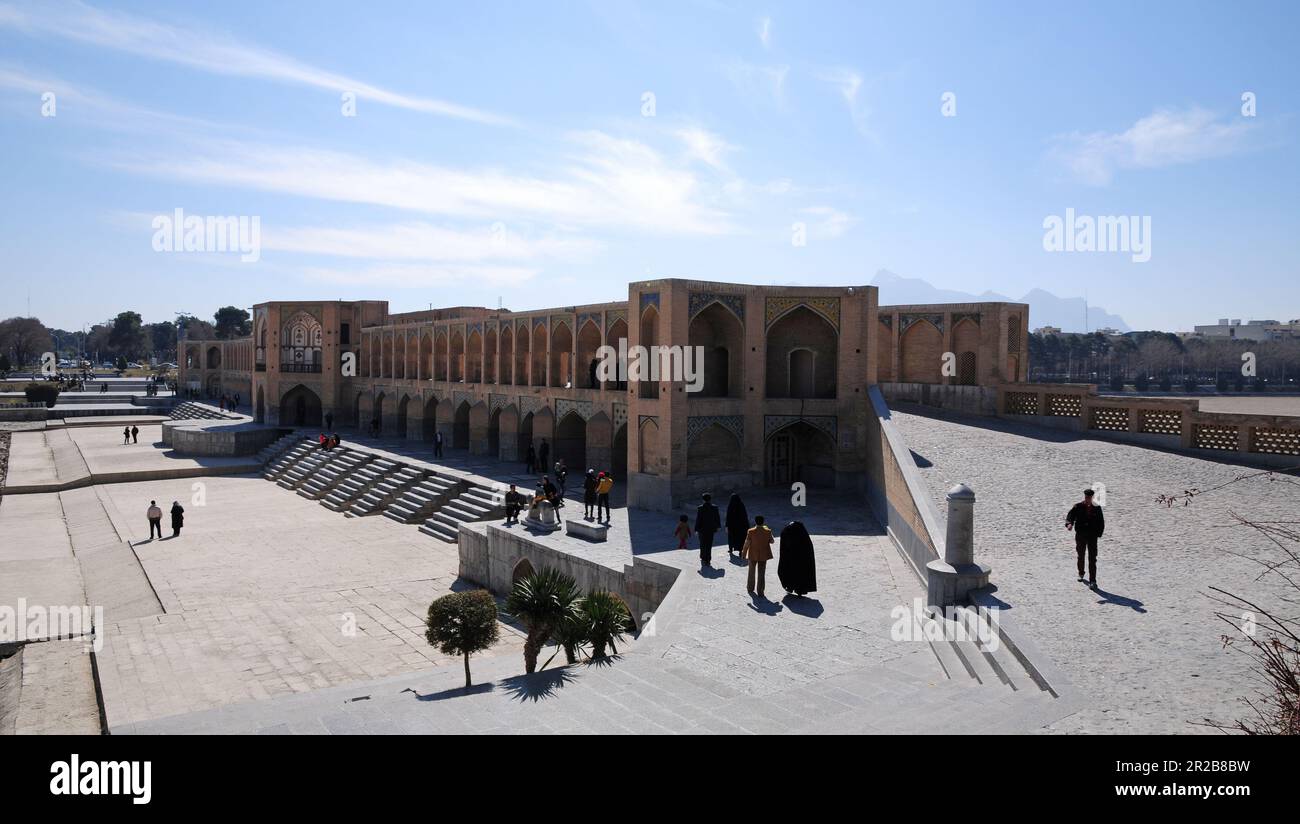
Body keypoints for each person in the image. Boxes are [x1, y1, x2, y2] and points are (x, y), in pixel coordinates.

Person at [1066, 488, 1105, 588]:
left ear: (1092, 498)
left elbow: (1101, 522)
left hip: (1092, 536)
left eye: (1089, 497)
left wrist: (1098, 534)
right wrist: (1069, 524)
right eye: (1086, 497)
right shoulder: (1078, 506)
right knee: (1081, 555)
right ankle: (1081, 572)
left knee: (1092, 558)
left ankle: (1093, 581)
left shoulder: (1097, 508)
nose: (1087, 499)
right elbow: (1070, 516)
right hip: (1081, 535)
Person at [777, 521, 817, 596]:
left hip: (791, 558)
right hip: (802, 559)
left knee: (790, 571)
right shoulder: (803, 535)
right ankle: (800, 590)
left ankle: (790, 586)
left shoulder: (786, 532)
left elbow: (784, 549)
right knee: (802, 573)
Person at [741, 515, 775, 597]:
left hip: (753, 554)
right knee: (761, 573)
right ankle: (760, 591)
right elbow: (772, 541)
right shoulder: (768, 531)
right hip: (763, 555)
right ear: (763, 522)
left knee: (751, 572)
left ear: (755, 522)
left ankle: (750, 588)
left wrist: (744, 554)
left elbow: (746, 544)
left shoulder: (751, 531)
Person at [694, 493, 721, 566]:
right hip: (711, 529)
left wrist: (696, 529)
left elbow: (698, 519)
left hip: (702, 530)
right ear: (710, 499)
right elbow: (717, 518)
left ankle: (703, 557)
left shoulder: (700, 508)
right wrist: (718, 526)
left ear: (703, 500)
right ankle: (708, 559)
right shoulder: (715, 507)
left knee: (702, 543)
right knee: (709, 544)